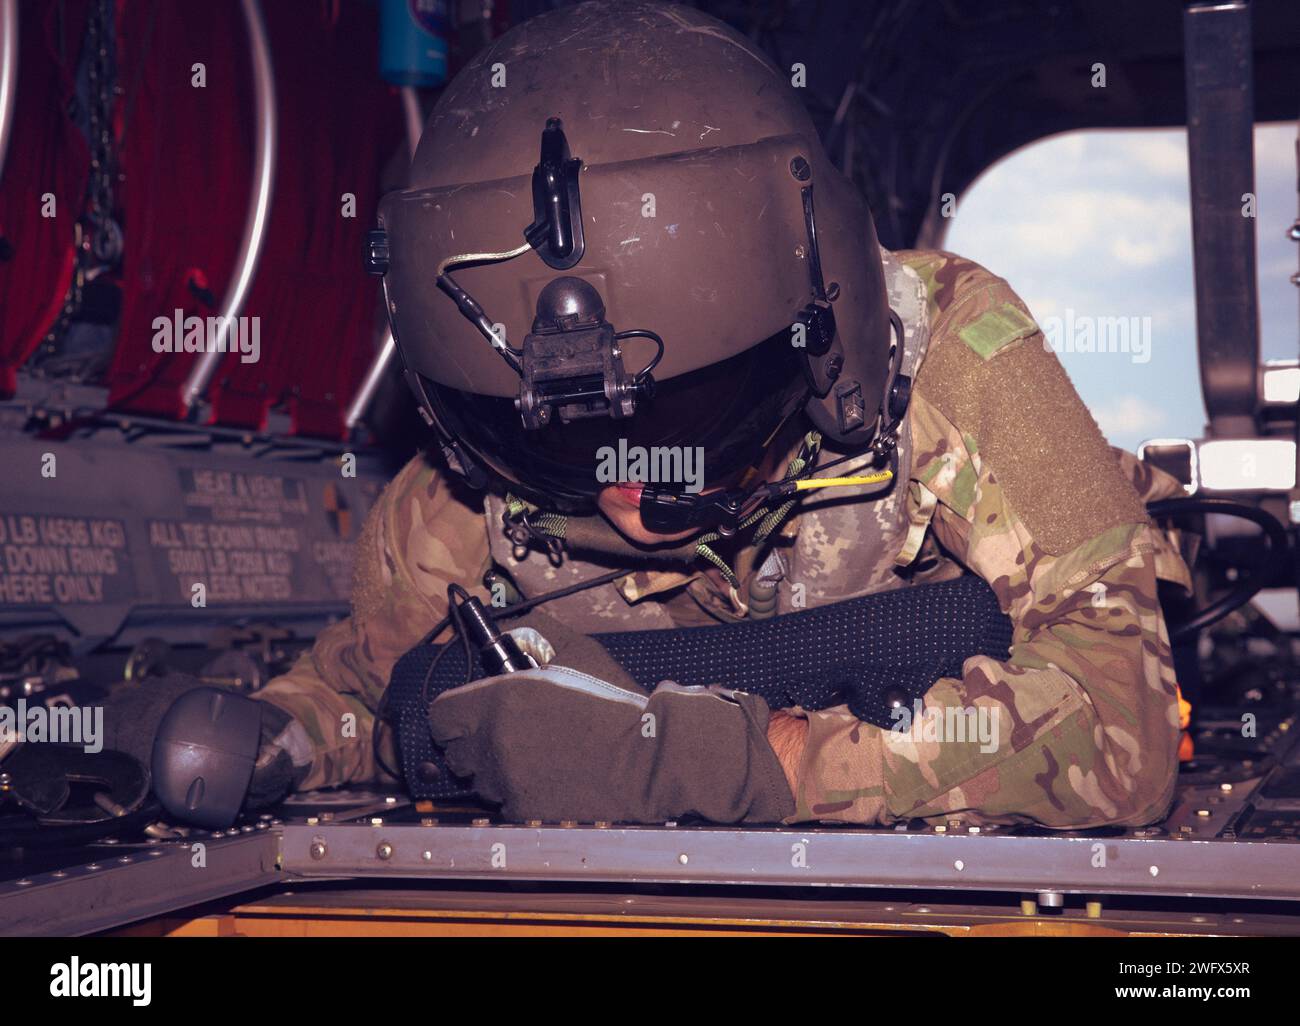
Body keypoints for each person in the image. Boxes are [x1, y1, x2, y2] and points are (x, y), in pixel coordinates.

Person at [249, 0, 1192, 829]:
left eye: (683, 418)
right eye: (563, 436)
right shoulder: (467, 491)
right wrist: (247, 741)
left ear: (825, 340)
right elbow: (362, 696)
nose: (629, 486)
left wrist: (730, 763)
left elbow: (1122, 731)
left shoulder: (958, 356)